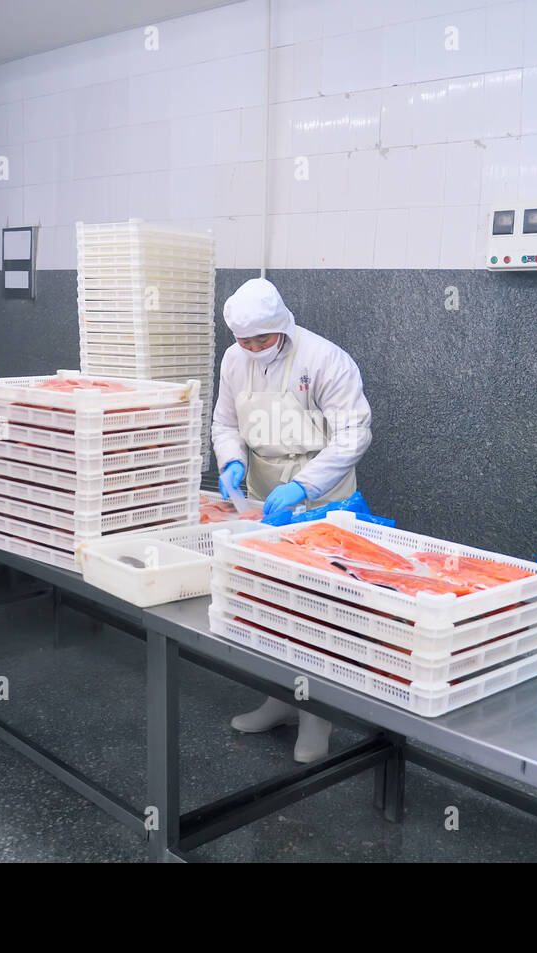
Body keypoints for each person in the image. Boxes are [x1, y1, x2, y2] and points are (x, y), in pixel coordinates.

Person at [212, 277, 373, 762]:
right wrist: (230, 462)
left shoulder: (326, 360)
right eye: (245, 341)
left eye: (262, 340)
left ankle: (317, 719)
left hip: (319, 496)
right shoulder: (233, 361)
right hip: (261, 492)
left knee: (314, 605)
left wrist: (305, 486)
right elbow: (224, 422)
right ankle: (278, 700)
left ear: (282, 326)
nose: (253, 349)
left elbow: (353, 436)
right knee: (267, 598)